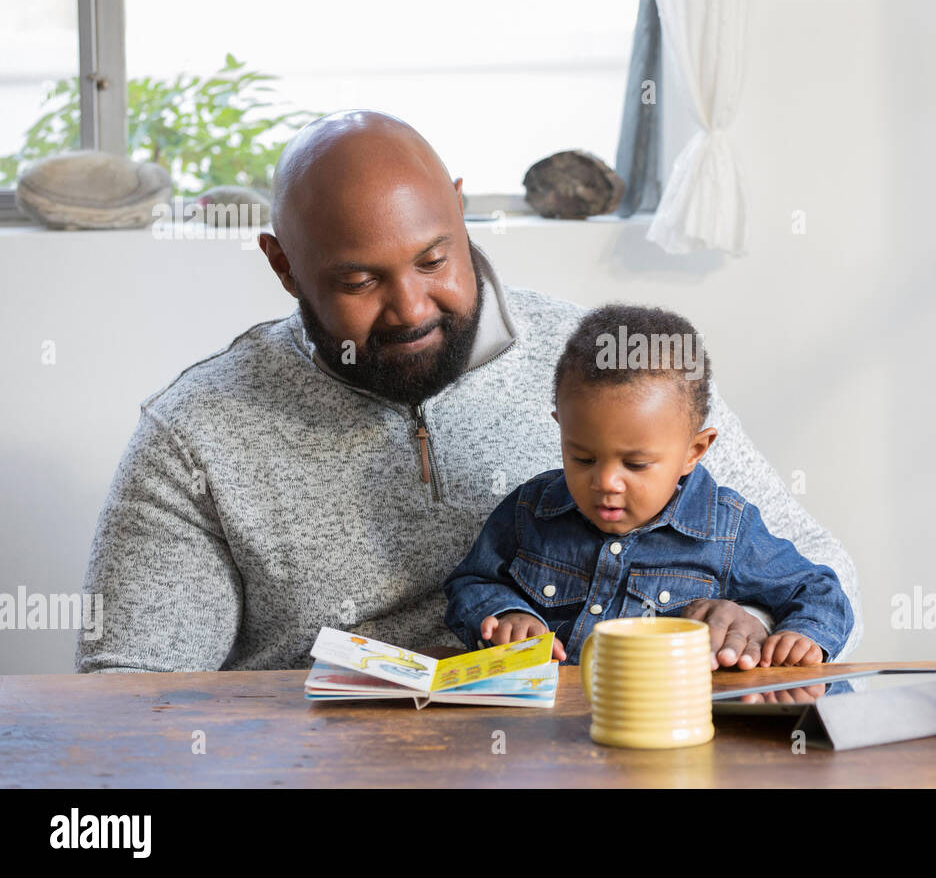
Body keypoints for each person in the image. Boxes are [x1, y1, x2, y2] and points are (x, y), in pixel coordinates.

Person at [75, 109, 862, 673]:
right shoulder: (198, 432)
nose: (413, 309)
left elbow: (821, 569)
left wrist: (747, 623)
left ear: (457, 204)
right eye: (357, 280)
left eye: (432, 259)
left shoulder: (616, 366)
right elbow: (132, 698)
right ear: (283, 266)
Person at [443, 304, 854, 666]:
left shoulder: (727, 530)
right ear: (561, 430)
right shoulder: (532, 509)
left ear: (694, 451)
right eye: (582, 458)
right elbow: (474, 581)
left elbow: (817, 590)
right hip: (554, 731)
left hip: (668, 727)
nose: (605, 482)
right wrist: (508, 614)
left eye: (636, 464)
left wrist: (802, 637)